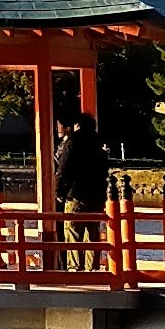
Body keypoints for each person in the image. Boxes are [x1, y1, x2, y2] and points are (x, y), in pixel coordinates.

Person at [53, 115, 111, 268]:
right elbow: (104, 171)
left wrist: (59, 192)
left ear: (78, 125)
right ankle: (92, 268)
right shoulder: (99, 146)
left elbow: (63, 171)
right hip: (96, 196)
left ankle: (75, 269)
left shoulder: (73, 143)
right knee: (92, 233)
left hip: (76, 194)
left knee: (73, 233)